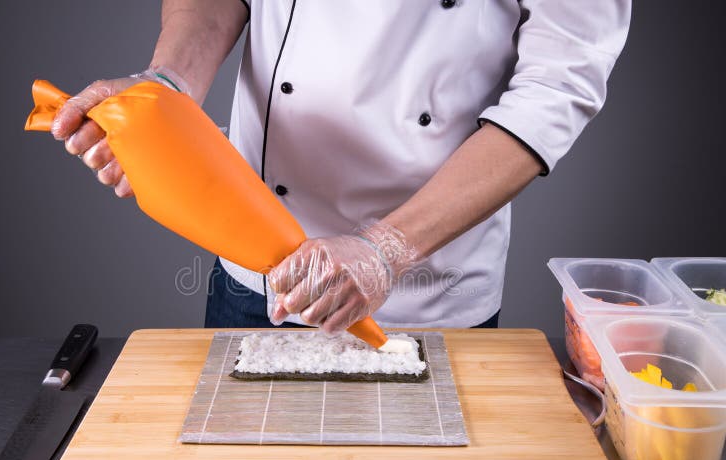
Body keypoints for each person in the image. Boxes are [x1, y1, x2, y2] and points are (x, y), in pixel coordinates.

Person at [51, 0, 631, 334]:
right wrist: (165, 92)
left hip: (428, 289)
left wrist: (386, 248)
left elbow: (557, 85)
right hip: (257, 274)